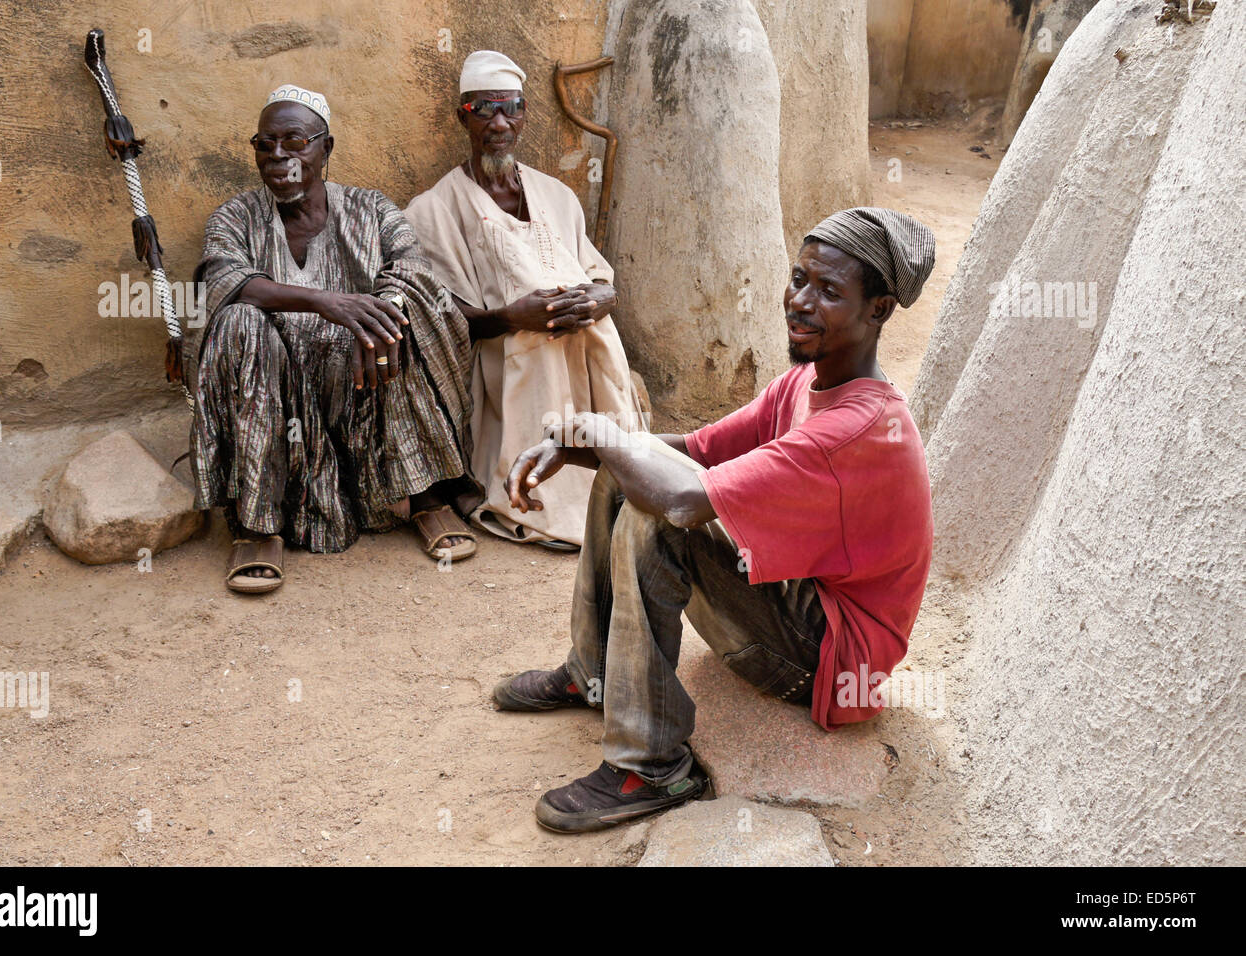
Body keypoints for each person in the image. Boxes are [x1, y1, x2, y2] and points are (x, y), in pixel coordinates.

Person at [493, 208, 937, 832]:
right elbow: (696, 450)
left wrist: (603, 434)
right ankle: (591, 673)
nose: (800, 302)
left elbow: (681, 502)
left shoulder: (859, 429)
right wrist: (578, 442)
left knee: (658, 517)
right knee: (630, 472)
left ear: (880, 311)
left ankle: (652, 767)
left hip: (831, 663)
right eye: (798, 278)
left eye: (828, 292)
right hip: (799, 604)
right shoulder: (806, 381)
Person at [190, 84, 481, 593]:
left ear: (326, 147)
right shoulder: (234, 217)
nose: (279, 157)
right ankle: (258, 523)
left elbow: (413, 267)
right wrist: (330, 303)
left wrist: (375, 318)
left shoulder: (372, 209)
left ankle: (425, 495)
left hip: (361, 378)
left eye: (295, 142)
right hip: (274, 383)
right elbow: (223, 281)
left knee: (404, 309)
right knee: (239, 320)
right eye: (265, 144)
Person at [404, 51, 645, 551]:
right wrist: (513, 317)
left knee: (598, 330)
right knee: (536, 344)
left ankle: (620, 480)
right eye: (484, 110)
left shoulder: (556, 194)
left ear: (524, 113)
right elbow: (440, 320)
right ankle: (540, 497)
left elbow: (601, 276)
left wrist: (598, 299)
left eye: (510, 109)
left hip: (583, 349)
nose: (498, 123)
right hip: (502, 357)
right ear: (462, 117)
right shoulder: (433, 210)